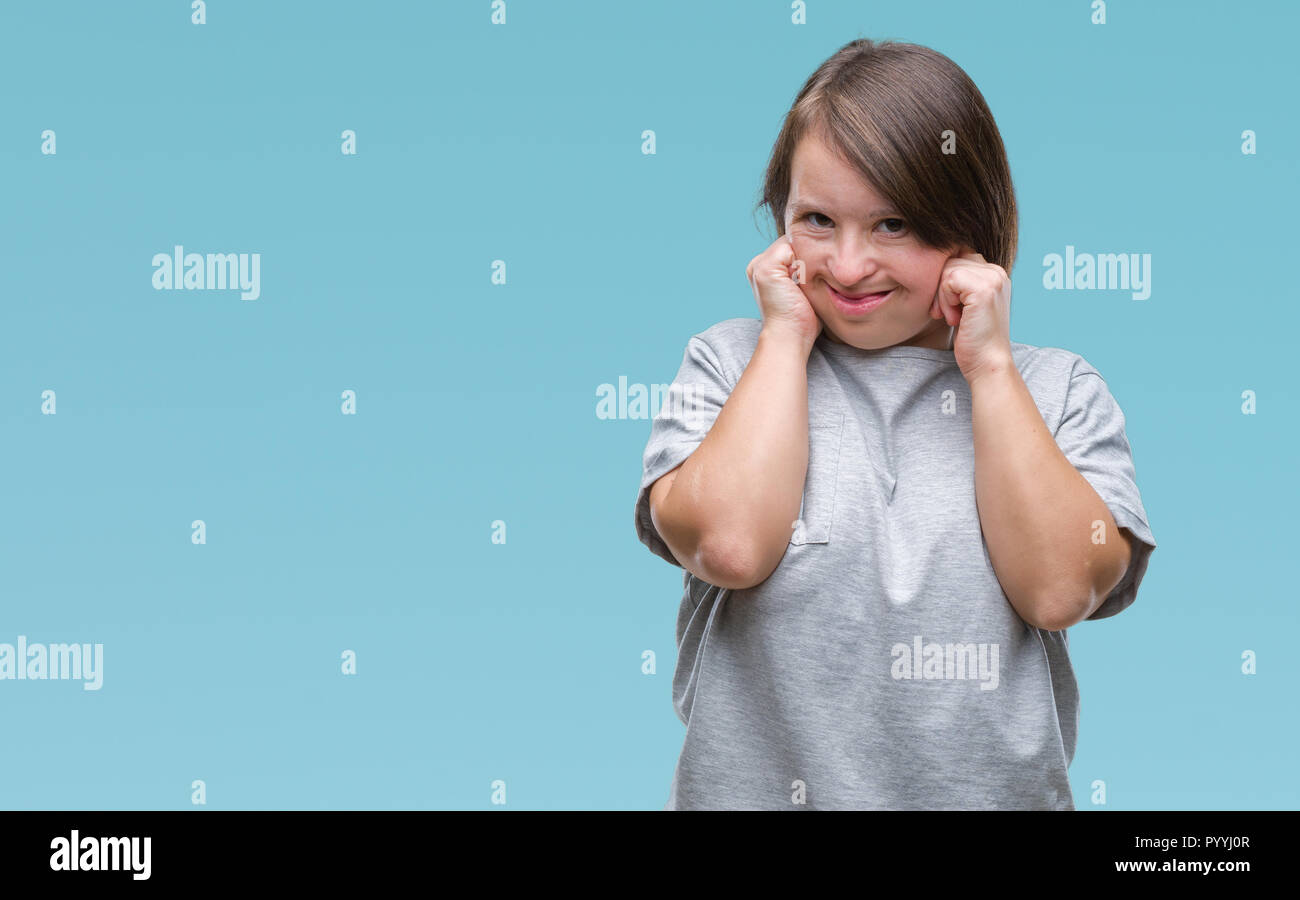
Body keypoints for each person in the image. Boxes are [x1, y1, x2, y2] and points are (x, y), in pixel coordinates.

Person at [632, 38, 1156, 810]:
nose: (846, 266)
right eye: (817, 219)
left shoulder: (1055, 390)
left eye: (895, 225)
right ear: (779, 222)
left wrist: (990, 371)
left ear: (968, 228)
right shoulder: (726, 365)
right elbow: (728, 544)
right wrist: (783, 338)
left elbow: (1059, 589)